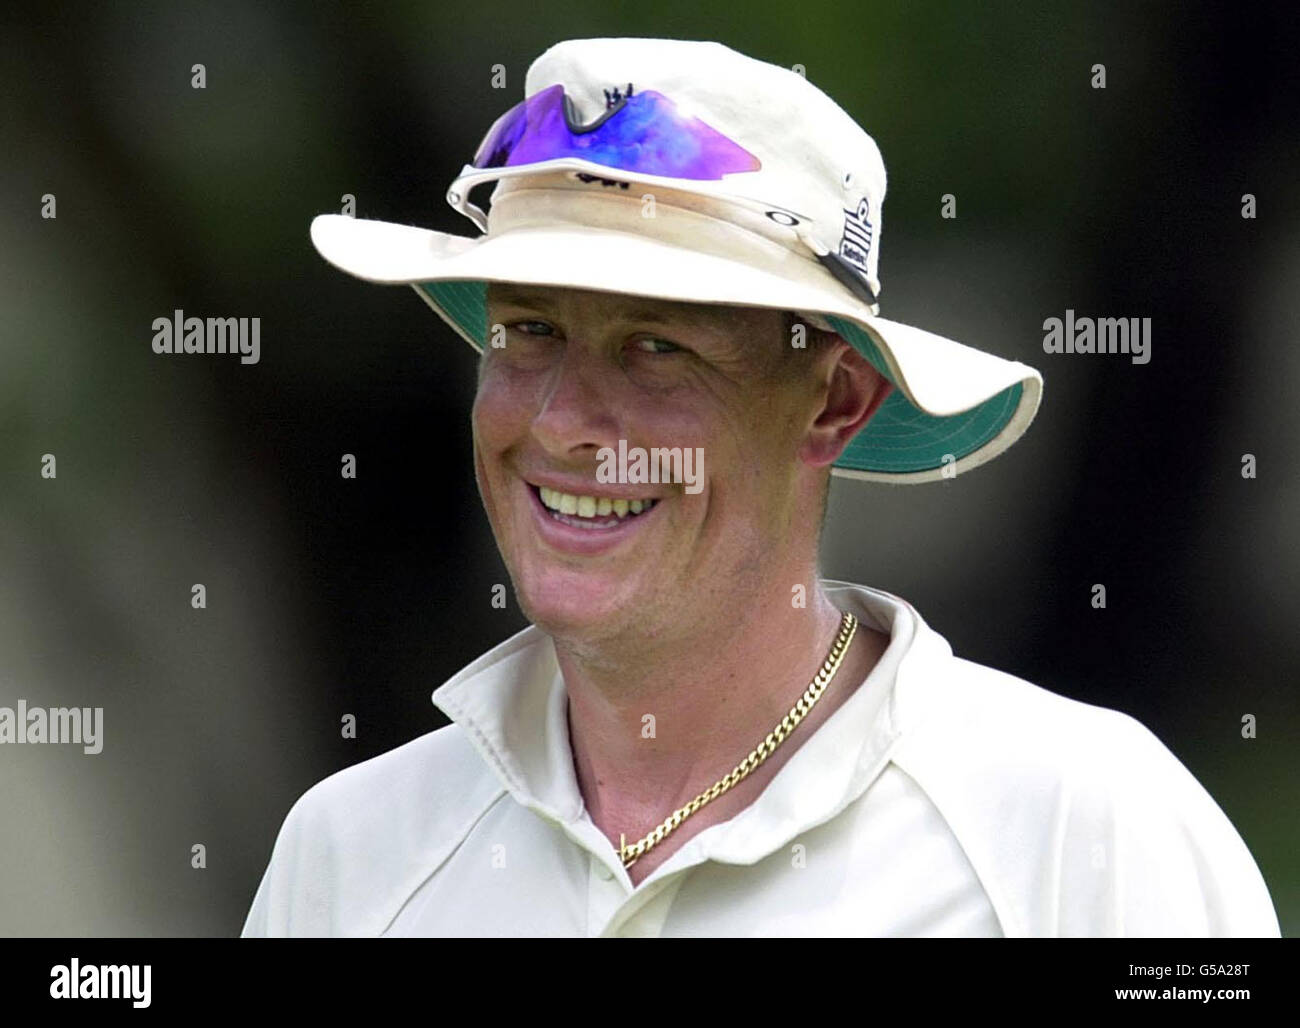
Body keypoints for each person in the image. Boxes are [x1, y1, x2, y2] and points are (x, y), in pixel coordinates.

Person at [241, 37, 1280, 937]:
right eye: (530, 330)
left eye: (655, 347)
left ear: (834, 402)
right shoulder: (349, 852)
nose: (560, 422)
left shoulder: (1081, 828)